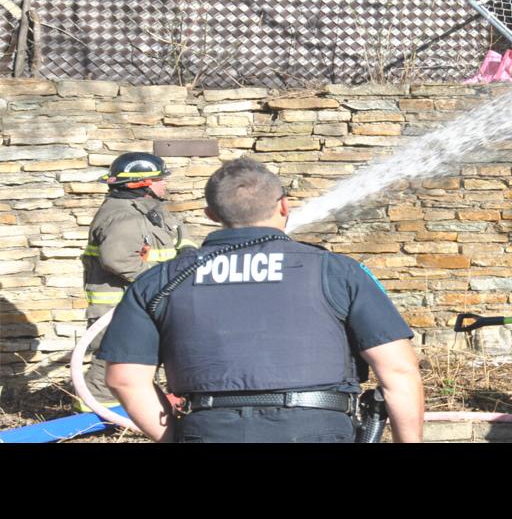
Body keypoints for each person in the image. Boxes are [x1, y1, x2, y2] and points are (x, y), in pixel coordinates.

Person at [97, 157, 424, 443]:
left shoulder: (162, 280)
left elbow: (124, 378)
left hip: (208, 429)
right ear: (284, 206)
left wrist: (176, 438)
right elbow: (398, 369)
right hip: (319, 428)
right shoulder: (337, 271)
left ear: (210, 214)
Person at [79, 152, 190, 409]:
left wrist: (188, 251)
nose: (165, 183)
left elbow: (179, 234)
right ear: (142, 184)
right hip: (118, 306)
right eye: (159, 179)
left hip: (141, 303)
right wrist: (165, 280)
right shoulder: (122, 217)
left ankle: (138, 409)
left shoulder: (150, 210)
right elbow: (118, 260)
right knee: (112, 361)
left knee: (141, 359)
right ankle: (91, 417)